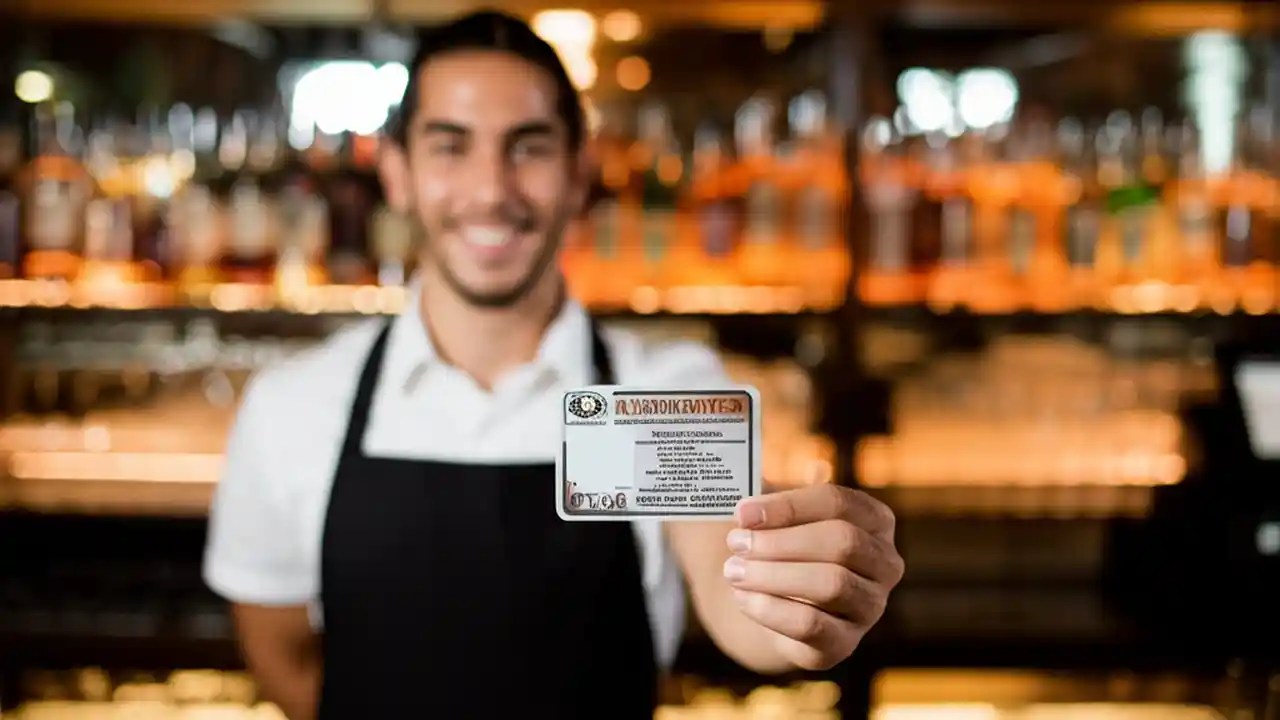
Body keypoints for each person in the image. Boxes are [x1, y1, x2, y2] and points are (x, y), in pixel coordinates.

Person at [202, 10, 904, 719]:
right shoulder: (295, 405)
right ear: (397, 173)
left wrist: (804, 608)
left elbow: (739, 598)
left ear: (577, 174)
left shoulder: (658, 391)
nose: (491, 191)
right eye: (451, 147)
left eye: (528, 148)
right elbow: (280, 655)